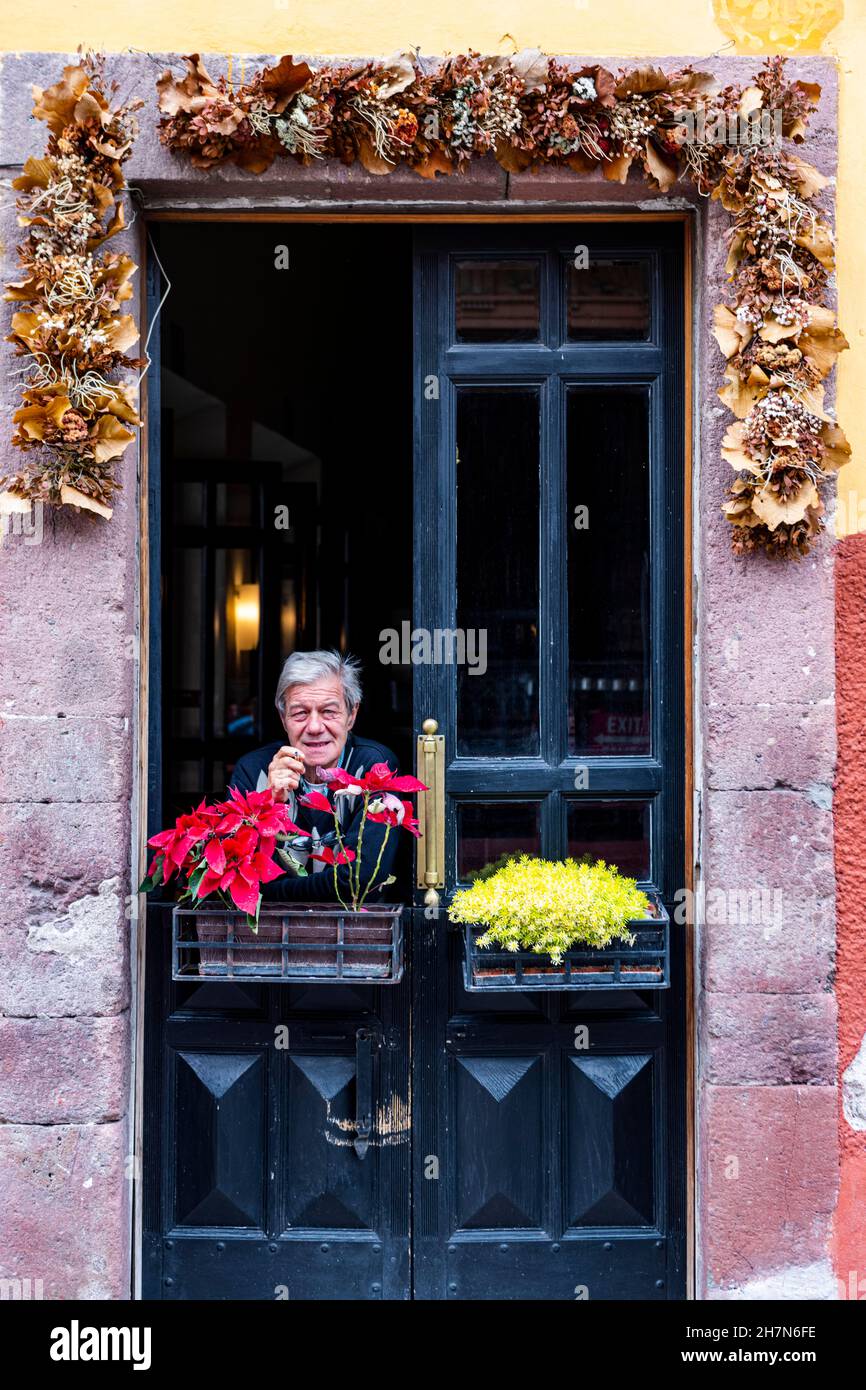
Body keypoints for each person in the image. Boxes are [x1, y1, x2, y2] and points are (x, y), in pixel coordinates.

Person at [229, 649, 401, 902]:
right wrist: (270, 803)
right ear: (283, 718)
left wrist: (271, 892)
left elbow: (361, 880)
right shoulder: (254, 770)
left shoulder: (374, 766)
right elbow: (236, 874)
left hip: (357, 931)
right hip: (270, 933)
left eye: (329, 712)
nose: (314, 727)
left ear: (351, 715)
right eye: (299, 713)